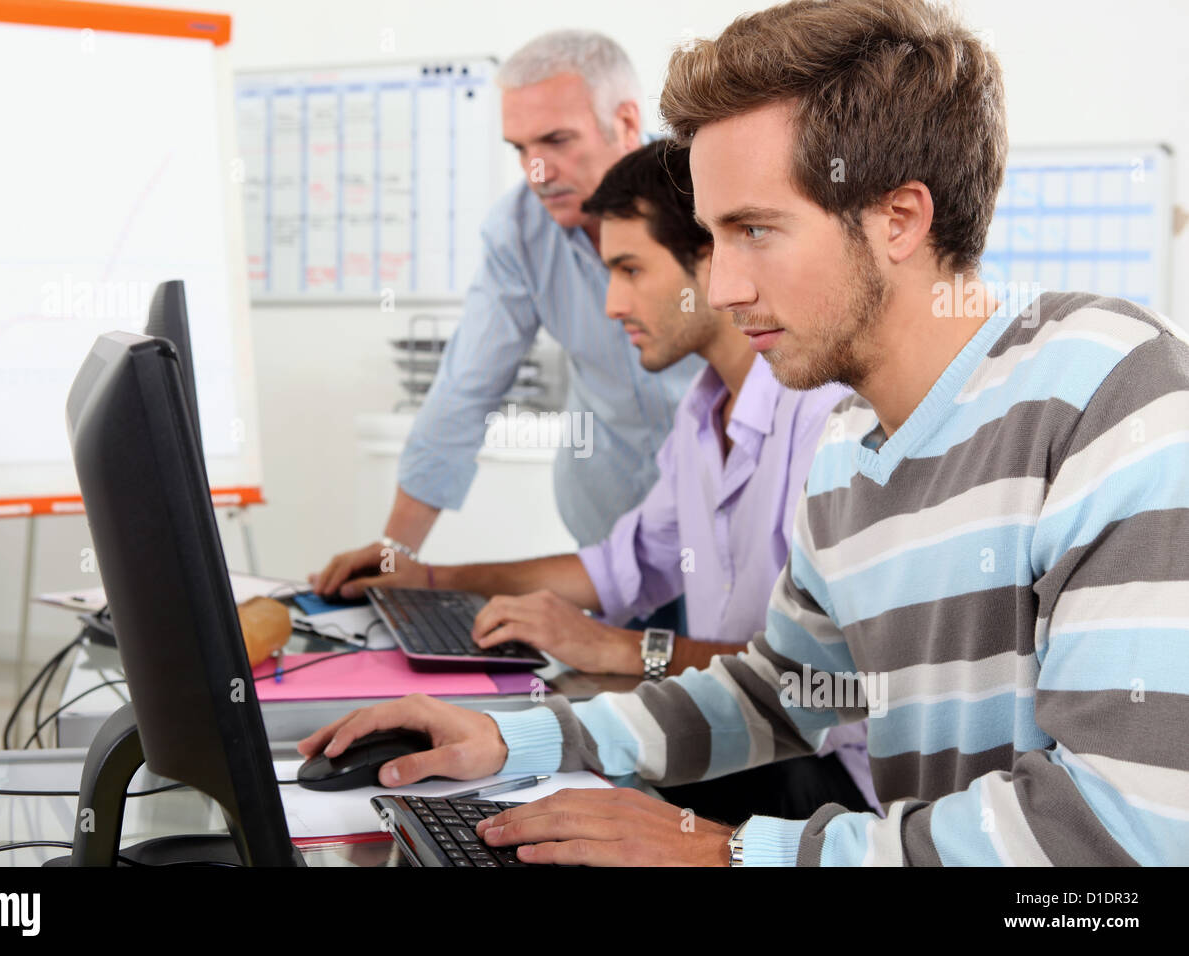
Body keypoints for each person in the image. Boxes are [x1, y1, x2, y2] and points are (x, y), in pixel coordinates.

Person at [301, 0, 1189, 866]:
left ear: (899, 219)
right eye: (714, 239)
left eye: (755, 230)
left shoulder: (1115, 396)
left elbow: (1119, 835)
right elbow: (782, 692)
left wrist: (730, 853)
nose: (722, 289)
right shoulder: (849, 446)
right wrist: (525, 739)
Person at [322, 139, 877, 821]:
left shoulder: (829, 417)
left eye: (630, 269)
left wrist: (624, 648)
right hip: (747, 750)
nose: (612, 304)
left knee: (562, 790)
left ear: (712, 261)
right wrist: (428, 577)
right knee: (513, 793)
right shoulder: (701, 415)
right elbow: (619, 568)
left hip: (832, 783)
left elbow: (824, 685)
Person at [312, 30, 704, 601]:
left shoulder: (705, 197)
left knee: (720, 674)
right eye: (519, 148)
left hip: (724, 512)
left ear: (623, 121)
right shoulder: (519, 229)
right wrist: (400, 551)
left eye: (556, 140)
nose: (536, 172)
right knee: (619, 676)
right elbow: (465, 388)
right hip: (607, 519)